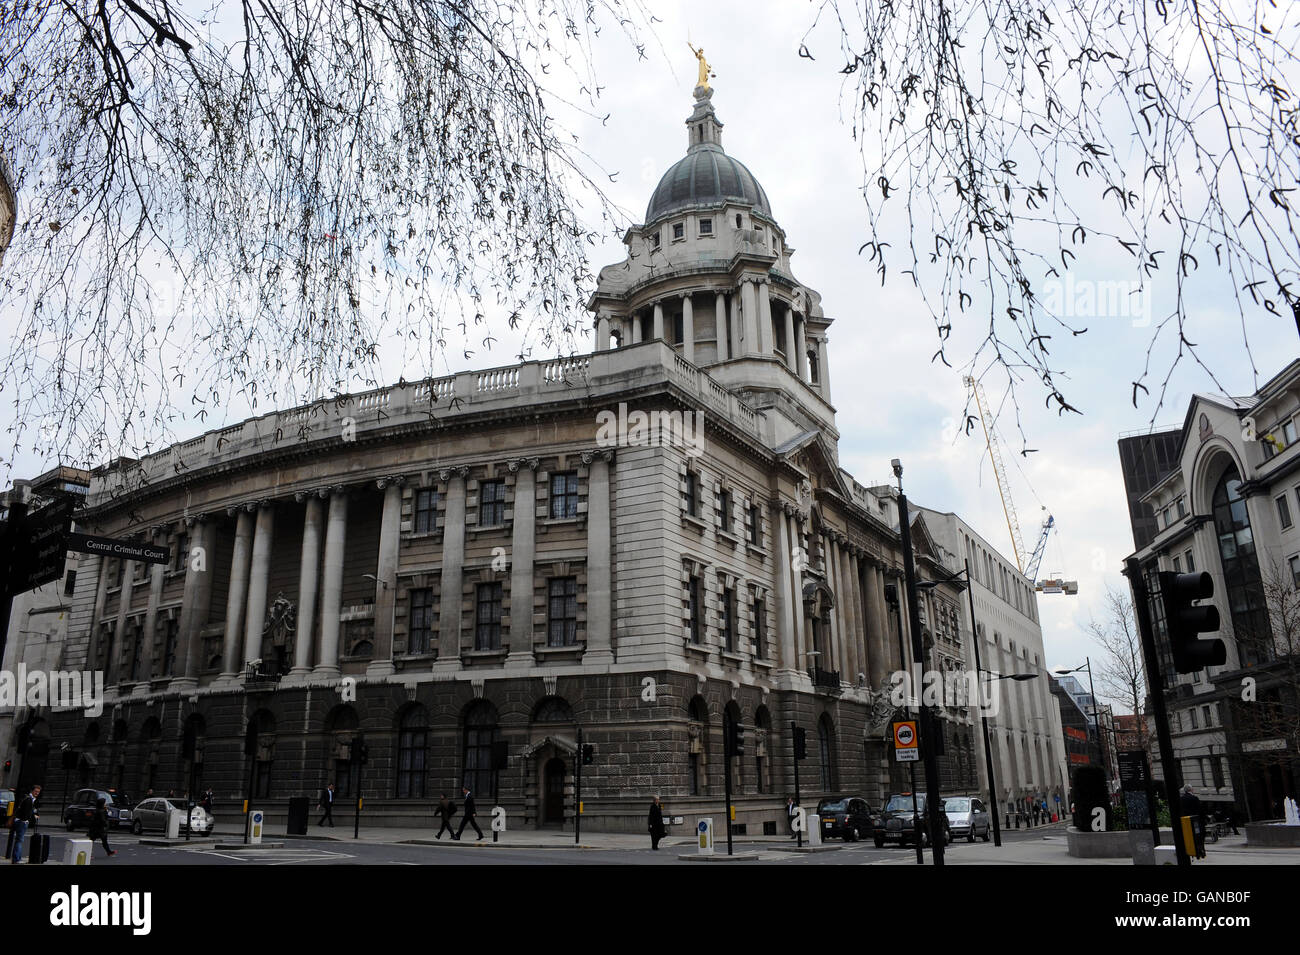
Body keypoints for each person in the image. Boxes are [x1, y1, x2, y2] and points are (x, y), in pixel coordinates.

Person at [9, 783, 40, 864]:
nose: (37, 793)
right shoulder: (29, 799)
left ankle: (16, 858)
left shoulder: (28, 798)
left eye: (38, 792)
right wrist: (26, 820)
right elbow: (26, 812)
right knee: (19, 841)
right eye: (36, 791)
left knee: (18, 840)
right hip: (22, 822)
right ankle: (16, 859)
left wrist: (33, 815)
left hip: (19, 821)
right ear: (32, 791)